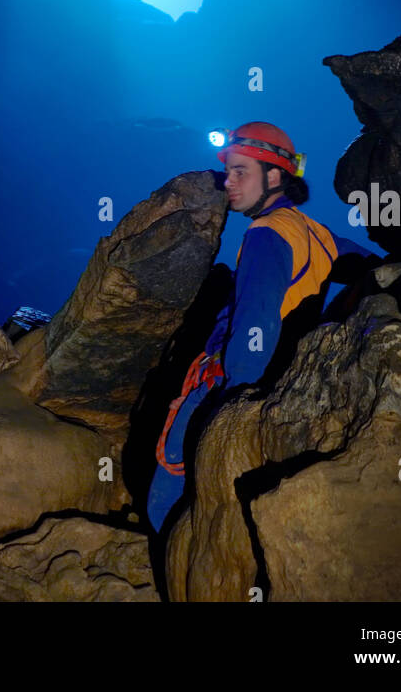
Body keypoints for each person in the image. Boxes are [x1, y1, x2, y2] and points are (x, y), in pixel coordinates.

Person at [146, 120, 375, 535]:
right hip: (281, 383)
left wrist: (231, 403)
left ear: (274, 176)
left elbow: (256, 324)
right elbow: (370, 267)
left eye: (240, 172)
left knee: (165, 502)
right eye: (228, 171)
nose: (227, 182)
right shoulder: (317, 233)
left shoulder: (265, 234)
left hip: (228, 385)